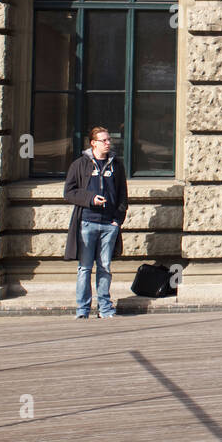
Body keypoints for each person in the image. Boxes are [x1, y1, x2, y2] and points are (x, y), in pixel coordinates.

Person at [63, 127, 128, 319]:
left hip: (109, 224)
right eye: (104, 140)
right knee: (84, 268)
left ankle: (105, 308)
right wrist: (91, 199)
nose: (108, 143)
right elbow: (69, 192)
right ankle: (83, 309)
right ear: (93, 143)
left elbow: (123, 195)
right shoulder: (79, 165)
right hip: (87, 223)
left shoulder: (116, 164)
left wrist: (117, 220)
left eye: (109, 140)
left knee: (105, 267)